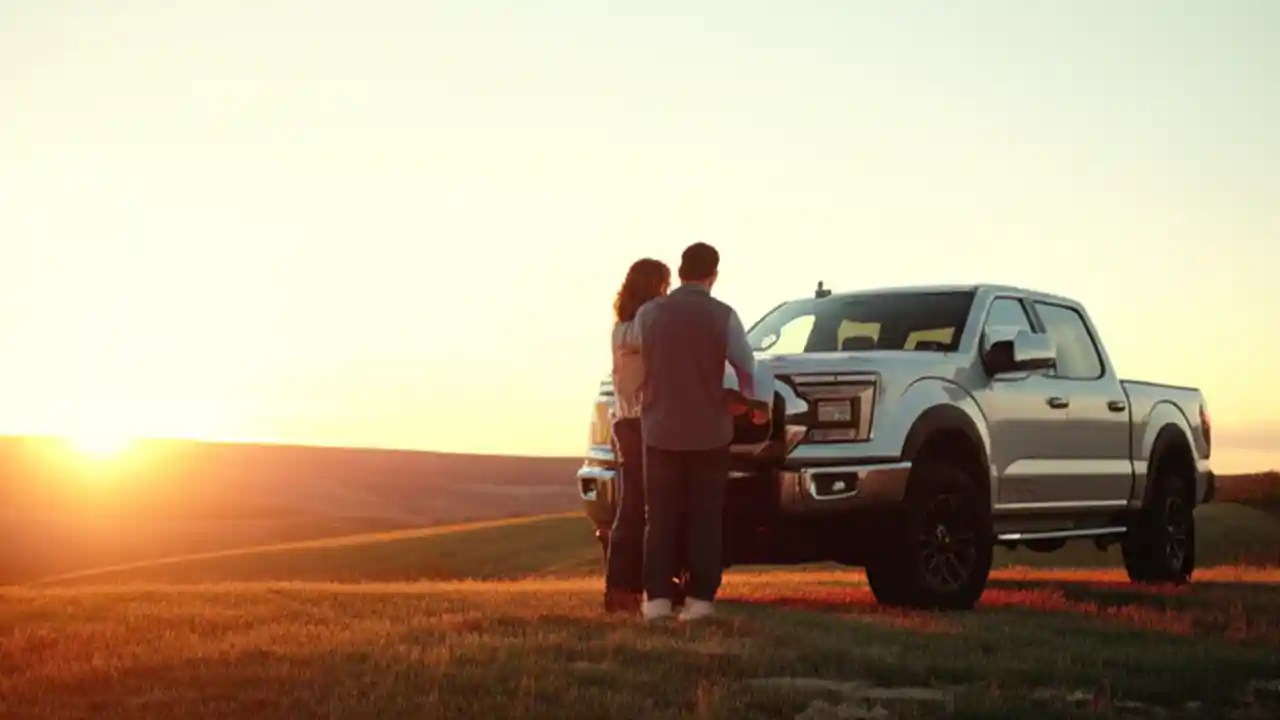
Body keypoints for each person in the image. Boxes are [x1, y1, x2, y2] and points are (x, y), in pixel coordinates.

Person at [632, 242, 761, 622]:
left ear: (681, 270)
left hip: (658, 429)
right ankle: (700, 600)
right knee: (705, 518)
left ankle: (656, 599)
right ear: (713, 275)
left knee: (659, 517)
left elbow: (644, 363)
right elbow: (746, 366)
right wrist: (749, 404)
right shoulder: (722, 315)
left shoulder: (649, 314)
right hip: (709, 431)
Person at [603, 258, 671, 613]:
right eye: (664, 285)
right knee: (634, 508)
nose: (668, 292)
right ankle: (621, 587)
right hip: (637, 425)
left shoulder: (625, 327)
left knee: (641, 507)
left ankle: (633, 587)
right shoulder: (633, 330)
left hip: (633, 423)